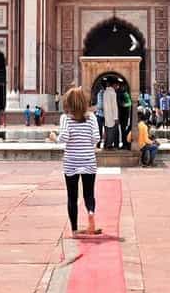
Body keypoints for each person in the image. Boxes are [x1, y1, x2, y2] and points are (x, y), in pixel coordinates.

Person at [48, 87, 101, 236]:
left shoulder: (66, 118)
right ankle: (90, 212)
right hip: (89, 160)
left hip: (71, 162)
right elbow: (96, 138)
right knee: (89, 194)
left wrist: (54, 137)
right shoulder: (92, 117)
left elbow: (63, 138)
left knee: (72, 197)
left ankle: (75, 230)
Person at [103, 81, 119, 150]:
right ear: (114, 85)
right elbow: (114, 106)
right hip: (112, 115)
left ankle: (106, 144)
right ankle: (109, 146)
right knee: (111, 131)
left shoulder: (105, 92)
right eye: (117, 85)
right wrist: (116, 117)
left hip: (106, 114)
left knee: (107, 130)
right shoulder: (113, 93)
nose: (117, 87)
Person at [118, 84, 132, 149]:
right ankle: (125, 144)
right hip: (122, 115)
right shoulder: (121, 93)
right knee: (123, 130)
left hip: (124, 116)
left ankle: (125, 144)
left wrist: (123, 105)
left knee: (123, 130)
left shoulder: (125, 94)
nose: (120, 87)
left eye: (121, 86)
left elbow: (129, 103)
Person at [95, 82, 106, 148]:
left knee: (100, 129)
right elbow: (100, 106)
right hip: (103, 114)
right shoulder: (101, 93)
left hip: (100, 114)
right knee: (104, 129)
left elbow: (99, 105)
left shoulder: (100, 93)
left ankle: (99, 143)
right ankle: (102, 143)